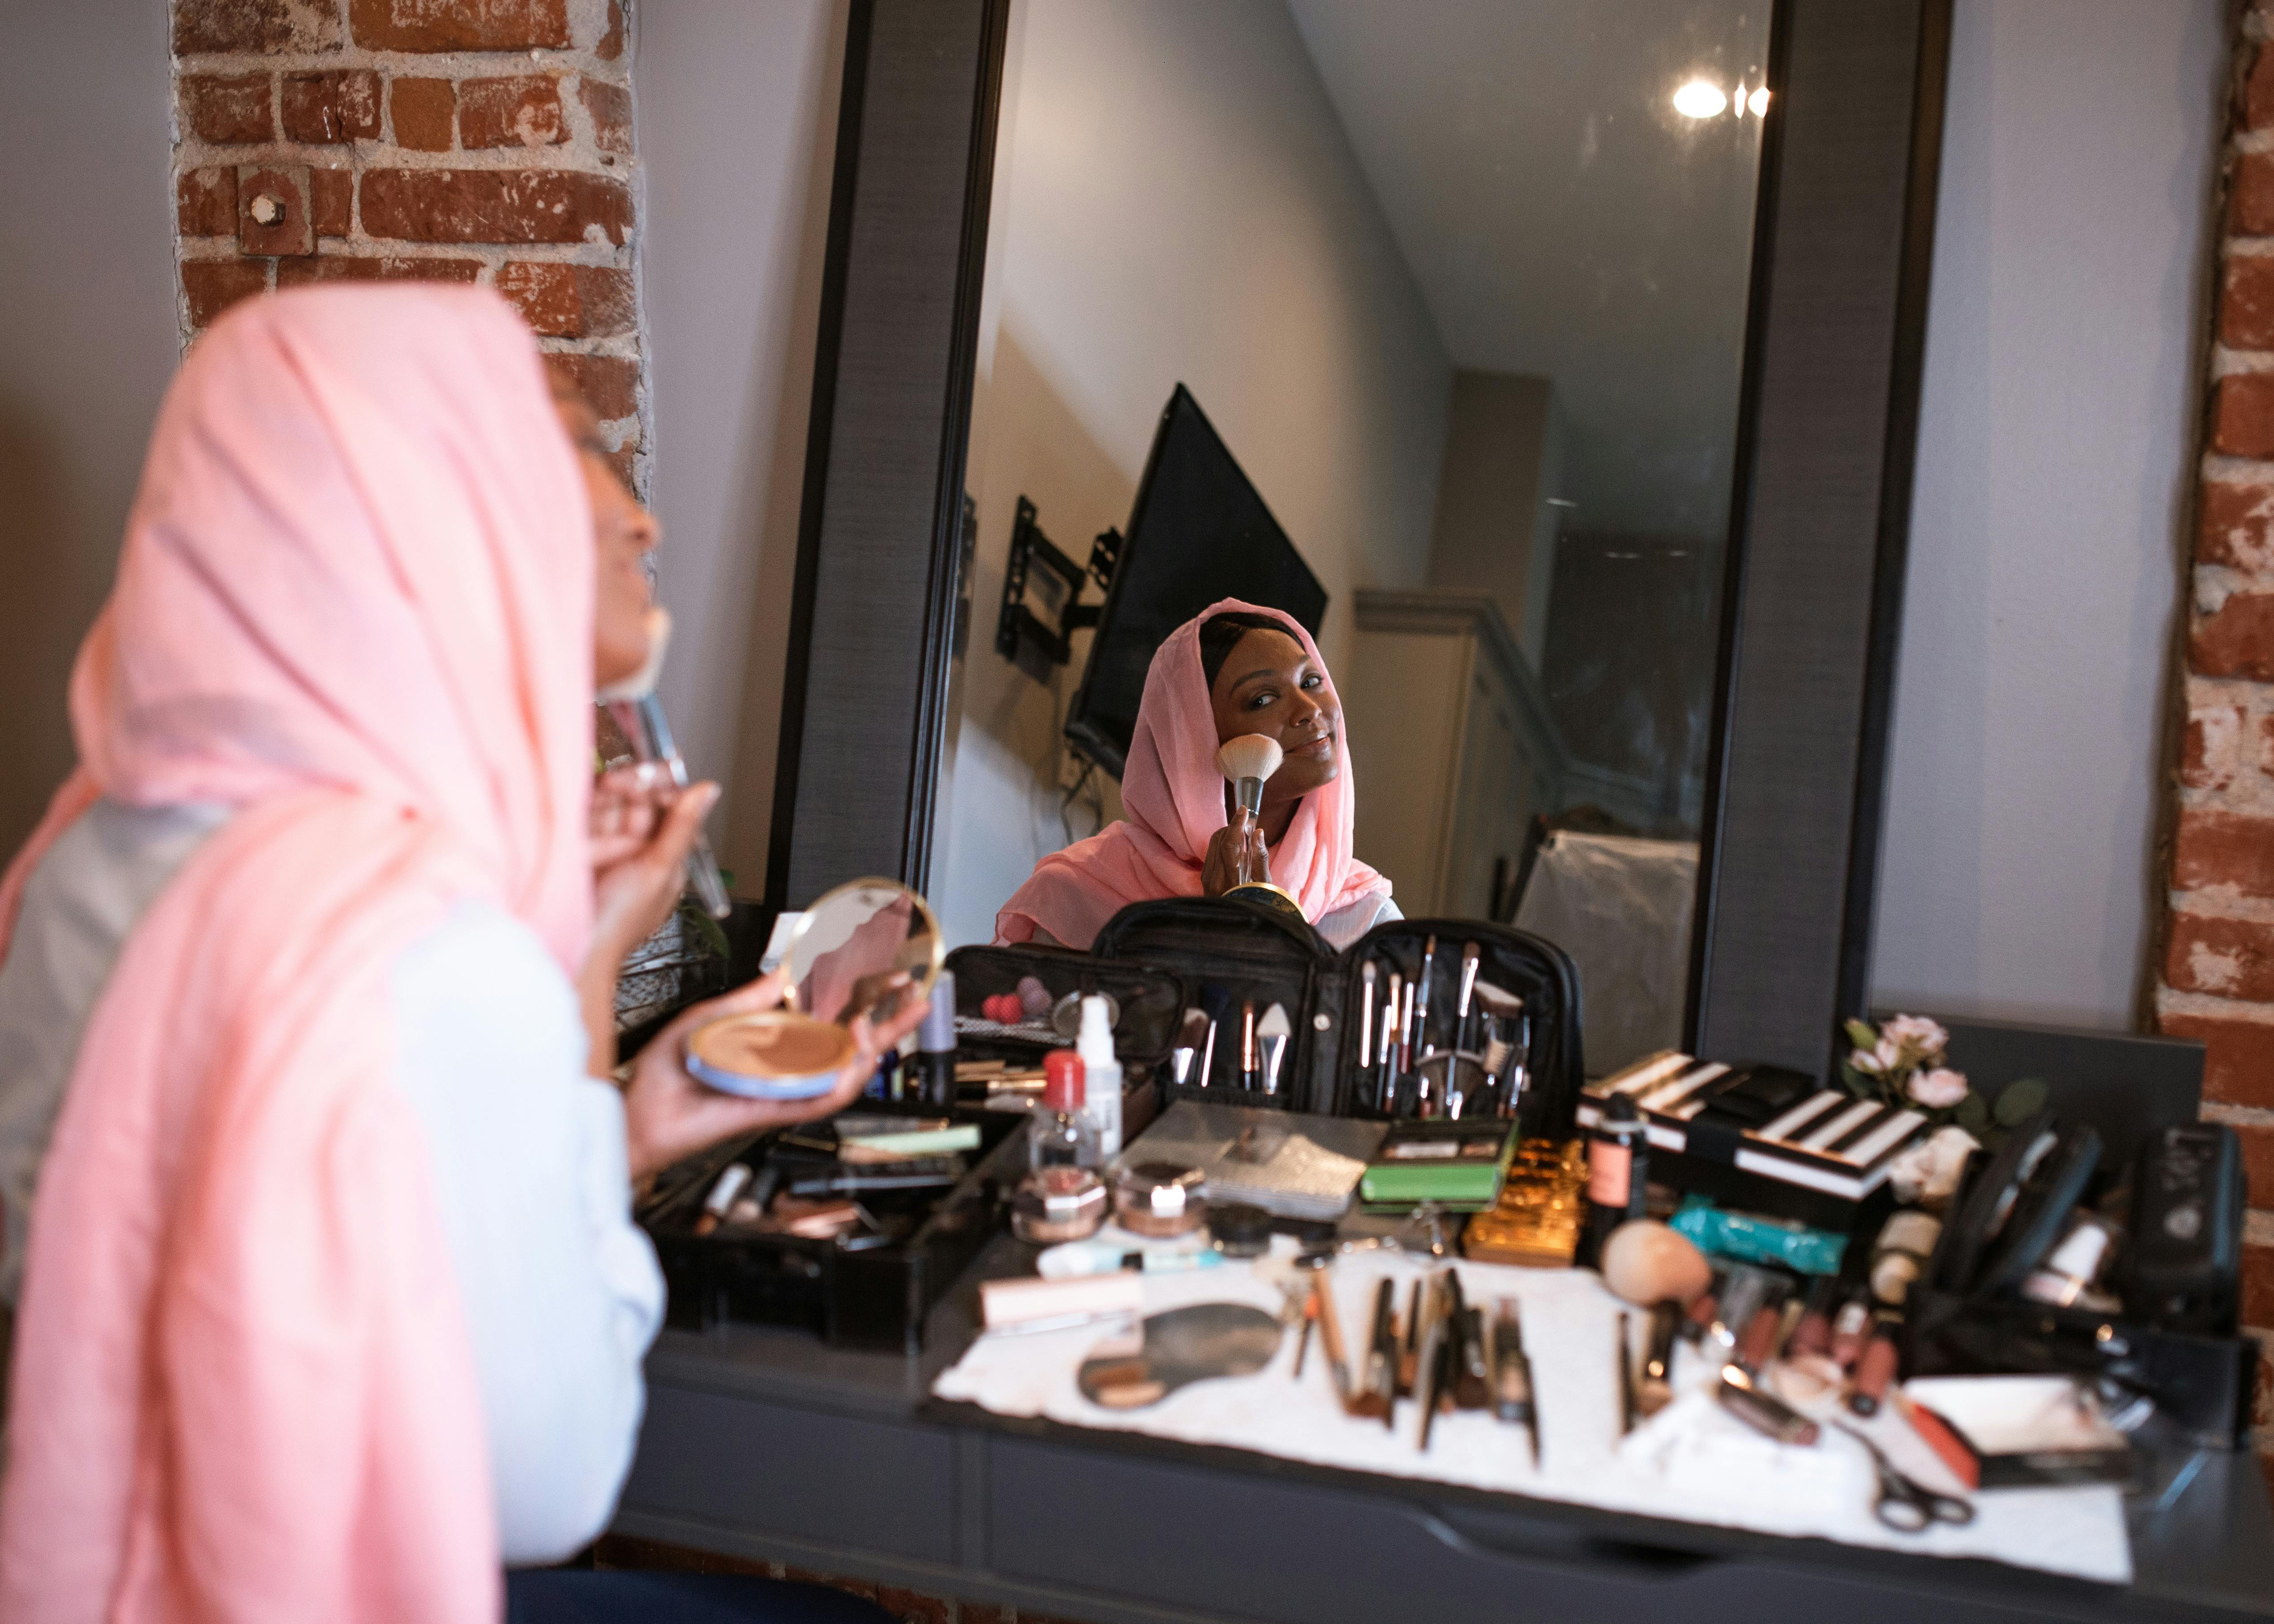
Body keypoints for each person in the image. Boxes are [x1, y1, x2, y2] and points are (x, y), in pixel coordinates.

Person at [0, 285, 914, 1624]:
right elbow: (547, 1491)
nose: (637, 513)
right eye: (567, 448)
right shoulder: (434, 946)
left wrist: (613, 1117)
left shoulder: (73, 861)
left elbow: (293, 1223)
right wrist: (571, 1011)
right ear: (399, 510)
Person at [995, 599, 1397, 951]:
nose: (1309, 708)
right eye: (1262, 699)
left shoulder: (1365, 915)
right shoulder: (1077, 893)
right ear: (1190, 739)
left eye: (1311, 681)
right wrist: (1208, 932)